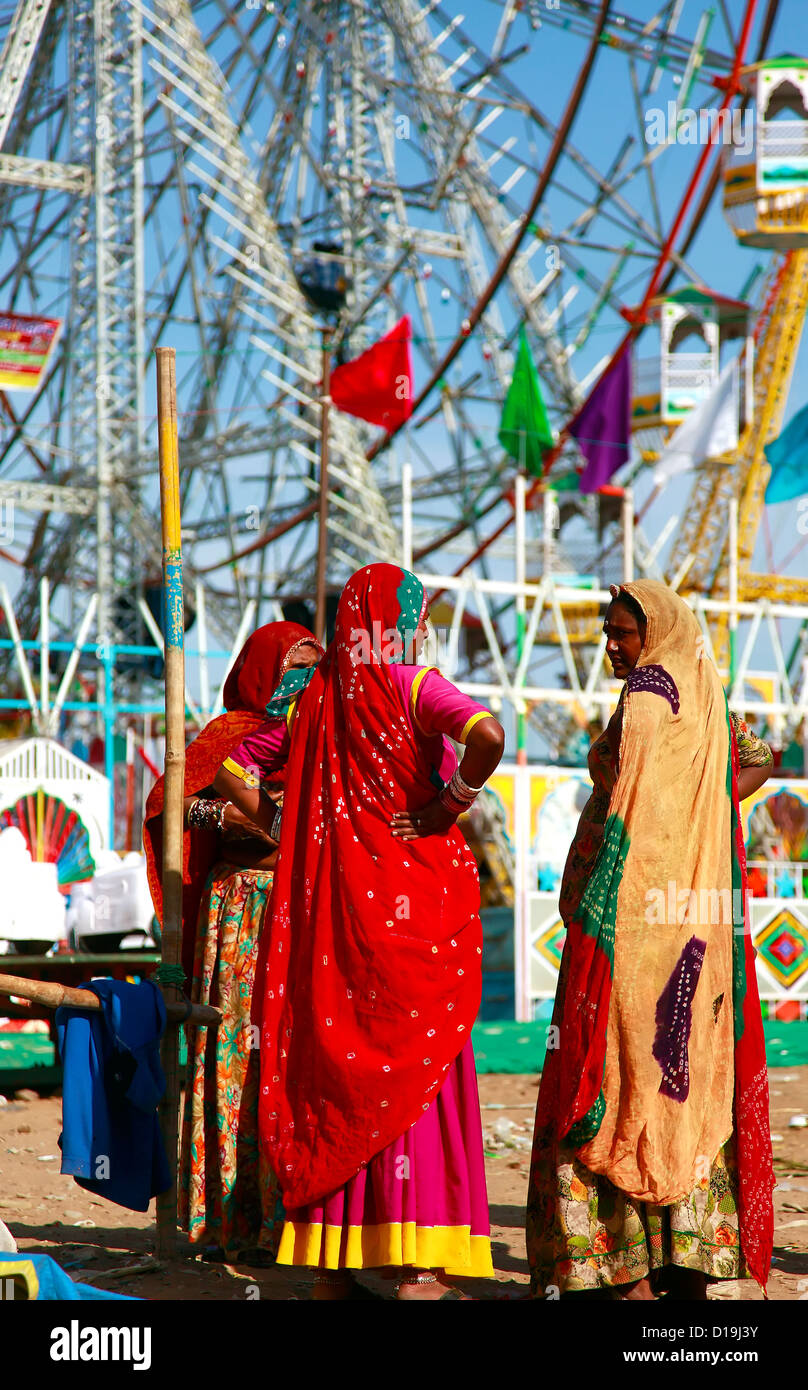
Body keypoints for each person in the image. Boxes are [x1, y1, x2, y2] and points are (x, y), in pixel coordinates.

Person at [246, 563, 504, 1300]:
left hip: (337, 913)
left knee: (338, 1061)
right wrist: (448, 805)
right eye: (414, 615)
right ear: (403, 619)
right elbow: (486, 732)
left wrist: (272, 826)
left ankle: (332, 1268)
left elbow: (231, 759)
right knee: (417, 1065)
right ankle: (416, 1260)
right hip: (413, 903)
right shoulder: (413, 685)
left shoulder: (311, 698)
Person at [526, 580, 774, 1301]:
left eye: (621, 633)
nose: (610, 645)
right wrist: (702, 818)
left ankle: (618, 1265)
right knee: (681, 1069)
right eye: (607, 631)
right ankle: (685, 1262)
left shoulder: (644, 697)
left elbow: (637, 817)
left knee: (614, 1068)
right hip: (693, 919)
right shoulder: (702, 692)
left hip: (627, 925)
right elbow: (760, 755)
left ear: (653, 633)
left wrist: (684, 818)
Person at [143, 621, 323, 1264]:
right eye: (291, 670)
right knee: (234, 1059)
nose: (301, 683)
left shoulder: (320, 730)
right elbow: (170, 801)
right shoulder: (227, 736)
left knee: (292, 1061)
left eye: (312, 669)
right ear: (260, 673)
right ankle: (227, 1217)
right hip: (242, 912)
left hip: (300, 914)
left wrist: (266, 816)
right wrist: (229, 814)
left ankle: (287, 1221)